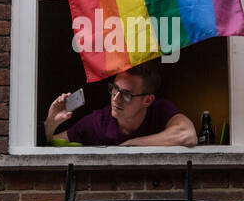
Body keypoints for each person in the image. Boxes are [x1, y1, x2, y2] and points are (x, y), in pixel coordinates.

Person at [45, 60, 197, 147]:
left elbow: (187, 135)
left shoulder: (160, 109)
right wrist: (51, 123)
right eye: (114, 89)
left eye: (126, 94)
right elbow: (51, 144)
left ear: (147, 100)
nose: (116, 98)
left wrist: (132, 145)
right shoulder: (98, 121)